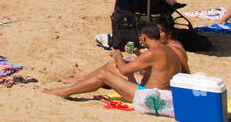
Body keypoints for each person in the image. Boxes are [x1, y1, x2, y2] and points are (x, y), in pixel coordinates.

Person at [44, 23, 181, 108]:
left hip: (149, 96)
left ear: (144, 37)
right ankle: (79, 81)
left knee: (106, 75)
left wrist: (118, 56)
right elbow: (155, 70)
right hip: (161, 91)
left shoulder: (152, 52)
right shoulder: (169, 50)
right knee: (111, 66)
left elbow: (123, 70)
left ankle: (64, 92)